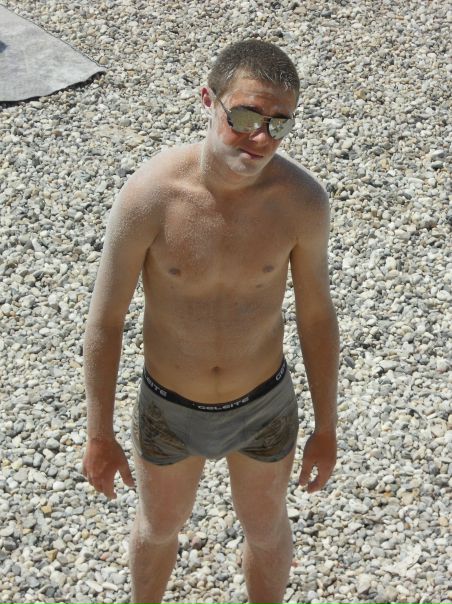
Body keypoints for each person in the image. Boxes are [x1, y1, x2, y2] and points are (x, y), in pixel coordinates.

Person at [82, 39, 339, 604]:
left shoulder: (301, 201)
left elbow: (317, 316)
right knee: (158, 527)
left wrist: (327, 427)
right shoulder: (151, 196)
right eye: (245, 116)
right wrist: (99, 434)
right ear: (208, 99)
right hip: (169, 407)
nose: (260, 138)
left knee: (267, 529)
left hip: (264, 404)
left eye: (278, 123)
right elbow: (105, 320)